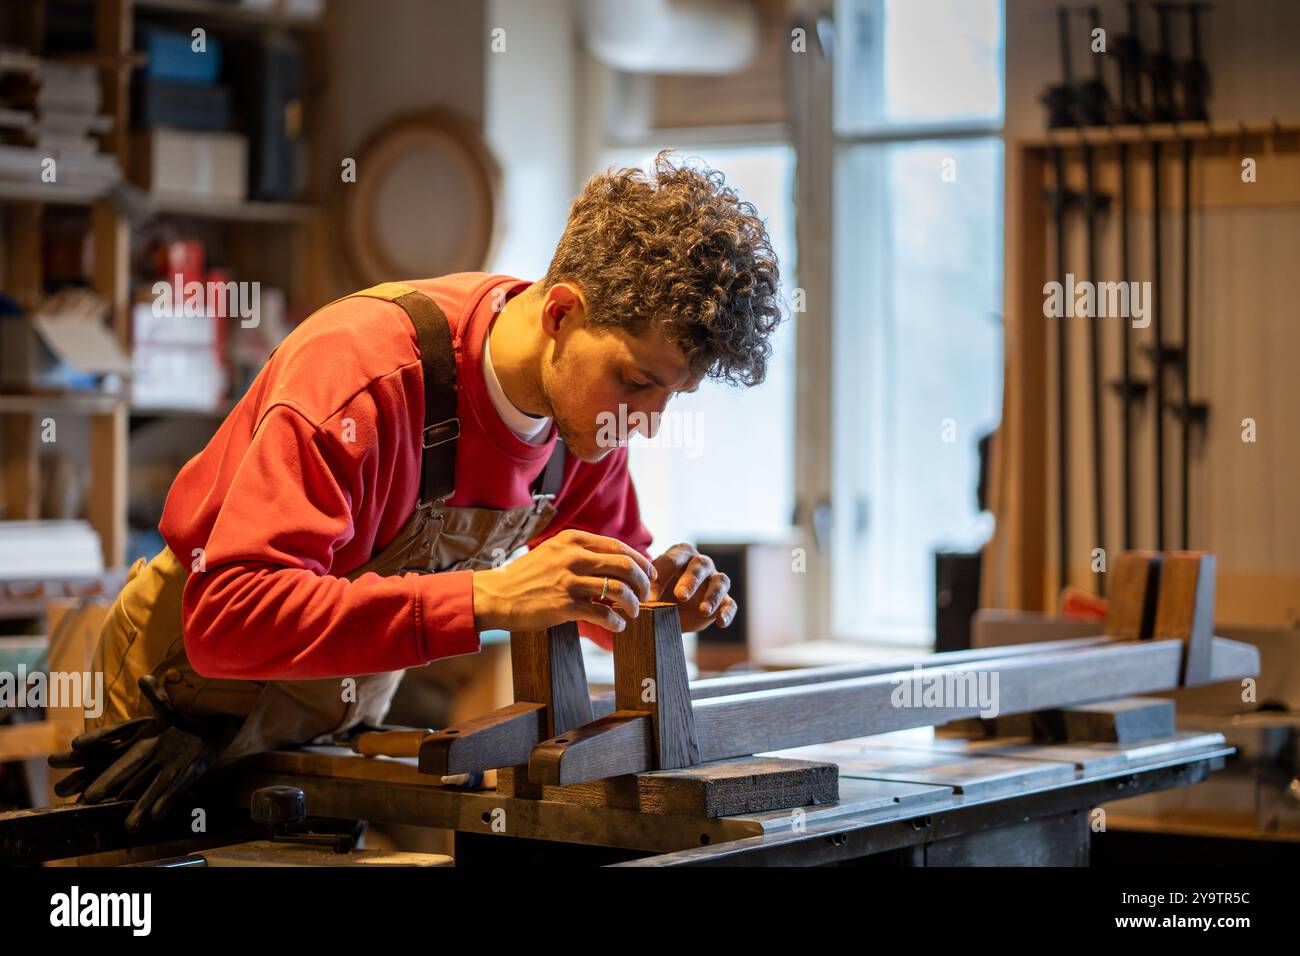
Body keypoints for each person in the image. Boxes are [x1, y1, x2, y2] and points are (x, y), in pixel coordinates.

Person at [50, 150, 784, 830]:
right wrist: (486, 599)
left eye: (670, 398)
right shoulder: (362, 377)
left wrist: (657, 601)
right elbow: (229, 620)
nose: (644, 424)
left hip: (329, 724)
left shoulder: (589, 423)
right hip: (175, 709)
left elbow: (598, 611)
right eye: (635, 381)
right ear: (561, 313)